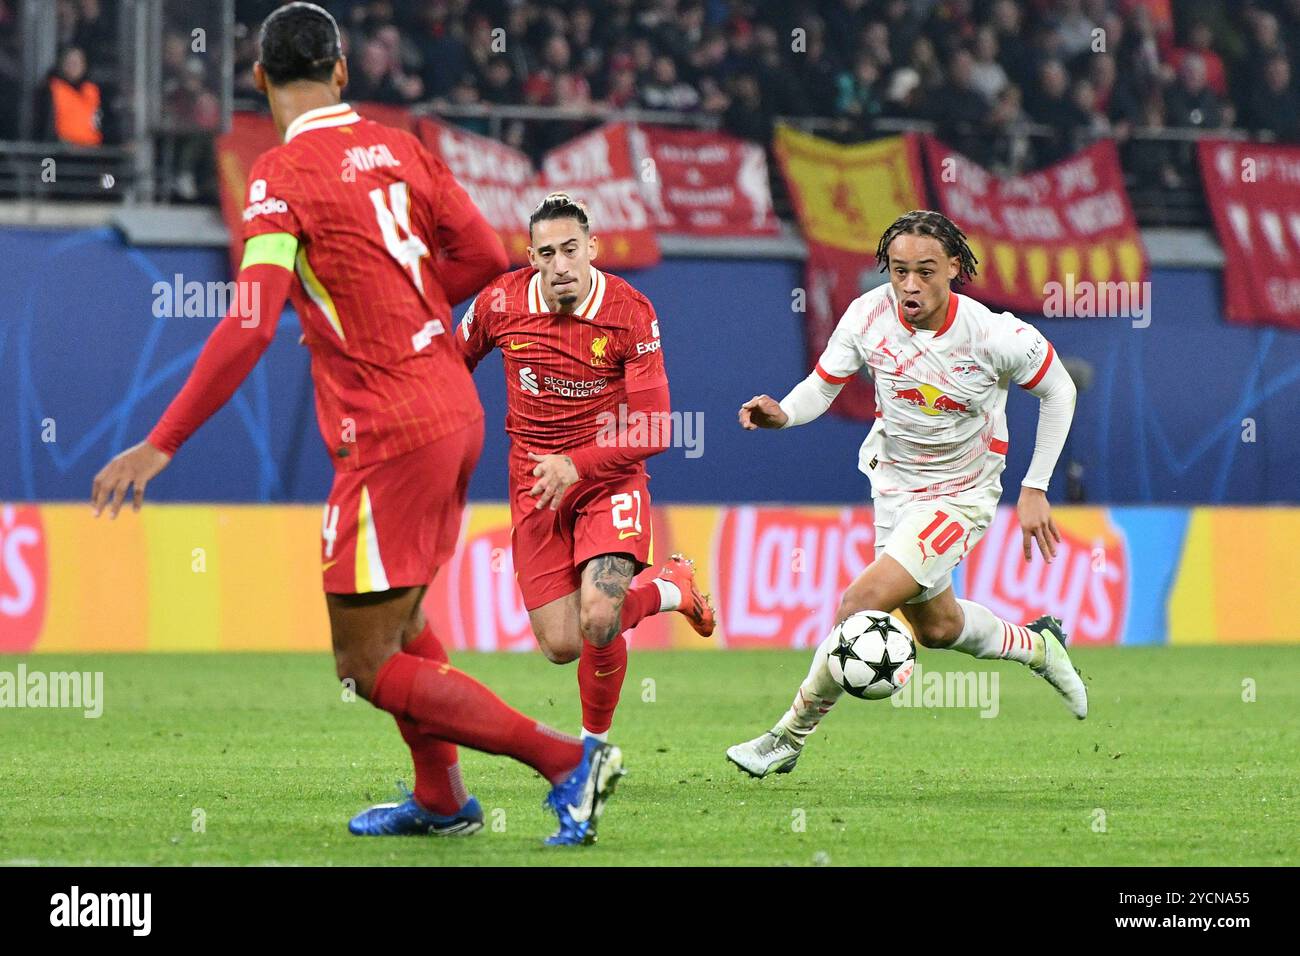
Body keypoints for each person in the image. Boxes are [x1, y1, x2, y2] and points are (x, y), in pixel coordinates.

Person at [89, 2, 621, 847]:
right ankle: (441, 799)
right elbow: (487, 260)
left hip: (390, 425)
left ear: (259, 78)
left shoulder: (277, 178)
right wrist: (410, 314)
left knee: (365, 666)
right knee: (403, 624)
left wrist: (162, 443)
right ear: (343, 71)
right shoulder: (404, 149)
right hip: (451, 404)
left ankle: (567, 761)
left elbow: (252, 322)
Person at [726, 210, 1087, 779]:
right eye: (899, 272)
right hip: (894, 487)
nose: (910, 285)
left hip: (960, 496)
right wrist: (783, 414)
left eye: (925, 271)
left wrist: (1036, 486)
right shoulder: (867, 317)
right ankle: (1039, 645)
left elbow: (1059, 391)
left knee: (857, 606)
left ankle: (785, 738)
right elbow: (822, 387)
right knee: (937, 629)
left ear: (954, 269)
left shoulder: (996, 335)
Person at [458, 191, 716, 744]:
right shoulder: (500, 303)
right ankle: (670, 587)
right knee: (562, 644)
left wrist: (577, 464)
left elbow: (655, 429)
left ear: (592, 248)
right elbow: (446, 367)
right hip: (536, 483)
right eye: (546, 253)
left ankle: (591, 753)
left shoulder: (630, 312)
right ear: (532, 258)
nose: (559, 265)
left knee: (600, 617)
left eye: (570, 249)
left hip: (607, 478)